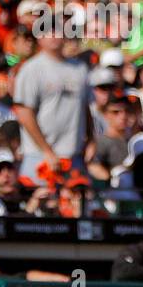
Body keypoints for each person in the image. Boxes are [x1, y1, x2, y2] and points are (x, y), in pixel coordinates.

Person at [11, 32, 93, 183]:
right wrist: (46, 151)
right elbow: (23, 113)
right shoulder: (31, 69)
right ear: (39, 37)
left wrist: (91, 140)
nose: (54, 36)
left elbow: (86, 108)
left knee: (75, 205)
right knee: (39, 204)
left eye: (58, 31)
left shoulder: (80, 68)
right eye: (48, 31)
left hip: (73, 156)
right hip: (39, 157)